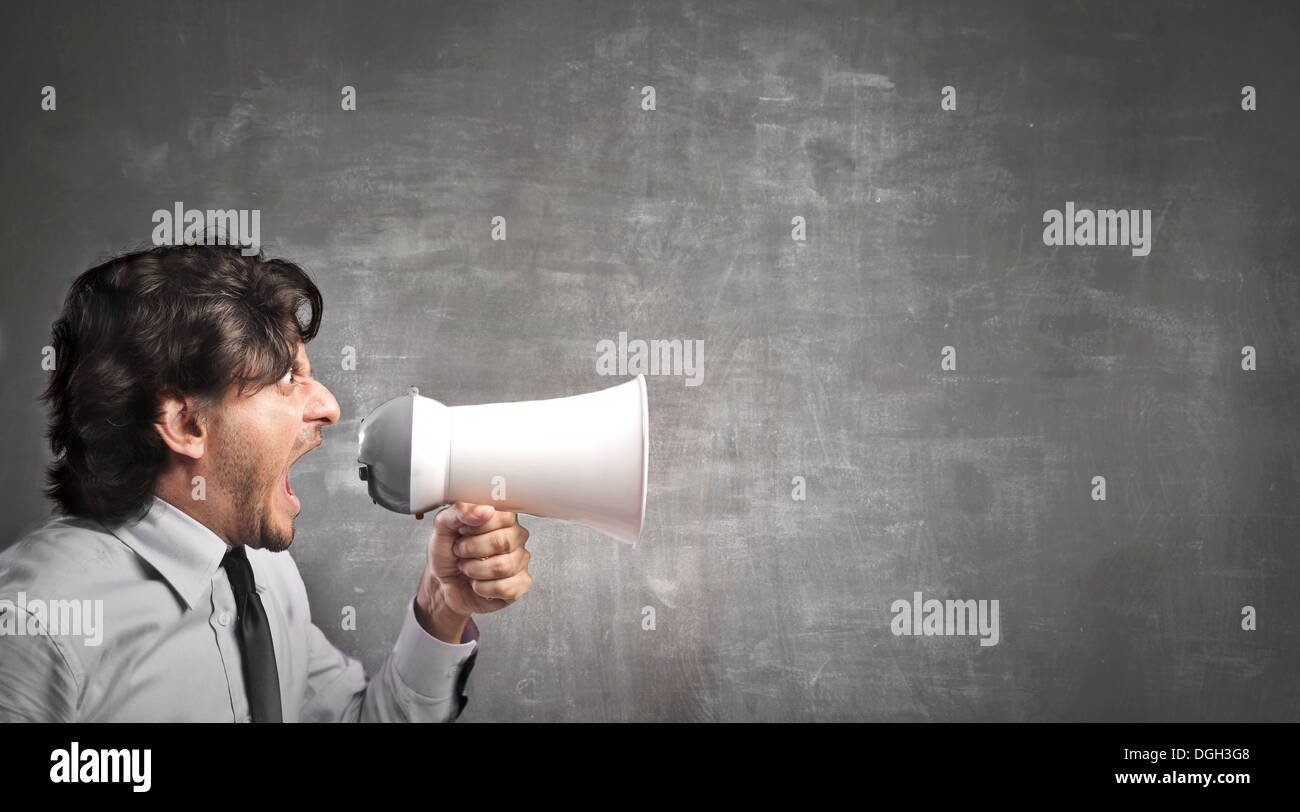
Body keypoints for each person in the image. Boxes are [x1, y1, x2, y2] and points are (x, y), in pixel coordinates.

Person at [0, 244, 532, 722]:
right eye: (286, 378)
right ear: (186, 424)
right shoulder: (35, 623)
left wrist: (441, 607)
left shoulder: (262, 572)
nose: (328, 406)